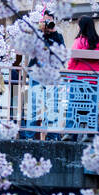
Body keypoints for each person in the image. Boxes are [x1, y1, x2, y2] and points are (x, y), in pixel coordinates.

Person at [23, 10, 66, 139]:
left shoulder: (57, 35)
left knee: (53, 104)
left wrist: (54, 32)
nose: (47, 23)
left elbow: (62, 51)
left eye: (49, 21)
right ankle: (29, 136)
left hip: (52, 73)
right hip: (36, 71)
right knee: (33, 104)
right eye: (45, 20)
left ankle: (52, 136)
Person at [65, 16, 99, 139]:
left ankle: (71, 132)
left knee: (73, 105)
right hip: (93, 79)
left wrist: (69, 73)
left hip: (78, 78)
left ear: (81, 26)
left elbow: (72, 59)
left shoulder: (79, 41)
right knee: (91, 106)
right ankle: (91, 132)